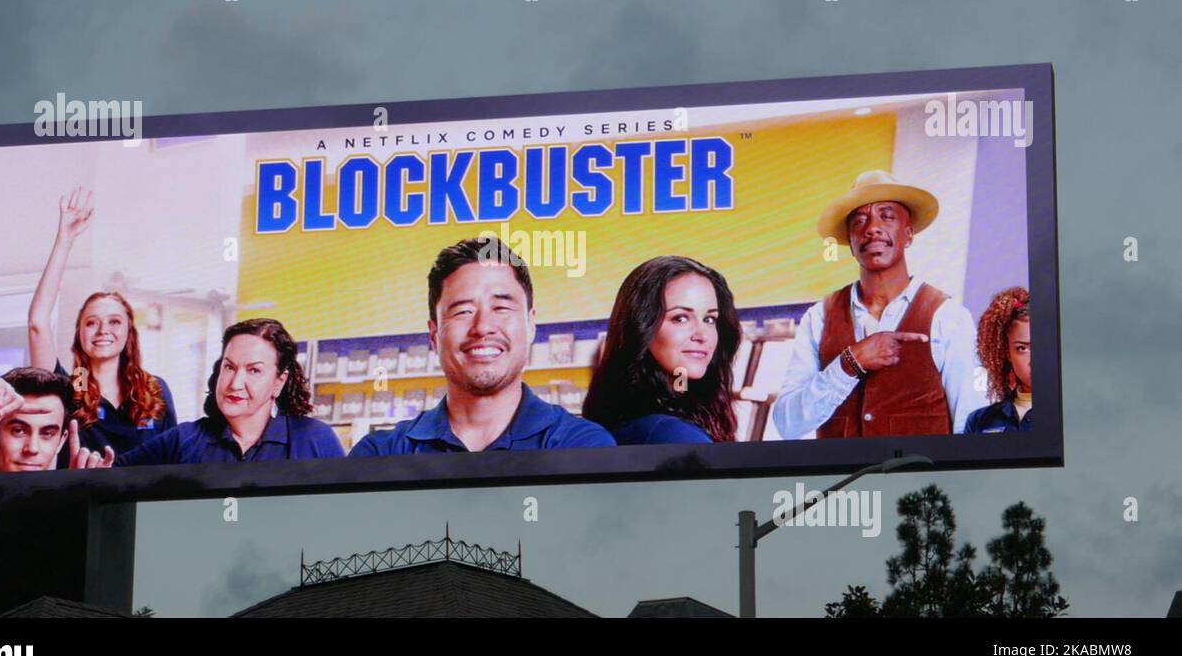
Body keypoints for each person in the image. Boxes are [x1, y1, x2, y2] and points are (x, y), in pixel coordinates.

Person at [350, 237, 616, 455]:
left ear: (531, 324)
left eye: (500, 307)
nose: (482, 326)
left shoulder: (581, 447)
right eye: (463, 311)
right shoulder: (380, 454)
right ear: (434, 335)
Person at [772, 170, 986, 439]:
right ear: (850, 243)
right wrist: (849, 363)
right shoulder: (819, 317)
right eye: (859, 221)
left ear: (908, 235)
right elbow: (787, 424)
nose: (872, 228)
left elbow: (971, 425)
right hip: (844, 481)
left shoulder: (948, 316)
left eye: (886, 216)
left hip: (921, 481)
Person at [27, 186, 177, 456]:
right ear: (79, 335)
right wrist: (65, 239)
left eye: (114, 322)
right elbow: (38, 322)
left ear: (129, 333)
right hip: (79, 499)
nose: (103, 330)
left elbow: (173, 464)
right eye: (91, 322)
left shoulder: (155, 389)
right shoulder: (71, 387)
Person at [116, 318, 344, 465]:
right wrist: (89, 469)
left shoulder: (313, 439)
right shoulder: (183, 439)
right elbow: (112, 474)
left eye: (254, 370)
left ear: (278, 382)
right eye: (229, 367)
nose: (235, 383)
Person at [582, 256, 742, 444]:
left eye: (709, 319)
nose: (703, 335)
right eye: (681, 318)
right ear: (642, 327)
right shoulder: (670, 433)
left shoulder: (630, 417)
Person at [0, 366, 114, 472]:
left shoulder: (59, 496)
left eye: (47, 434)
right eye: (18, 431)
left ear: (61, 441)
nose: (33, 449)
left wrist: (78, 500)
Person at [965, 287, 1032, 433]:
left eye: (1043, 344)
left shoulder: (1067, 413)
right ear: (1007, 353)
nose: (1033, 360)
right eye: (1022, 348)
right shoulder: (979, 421)